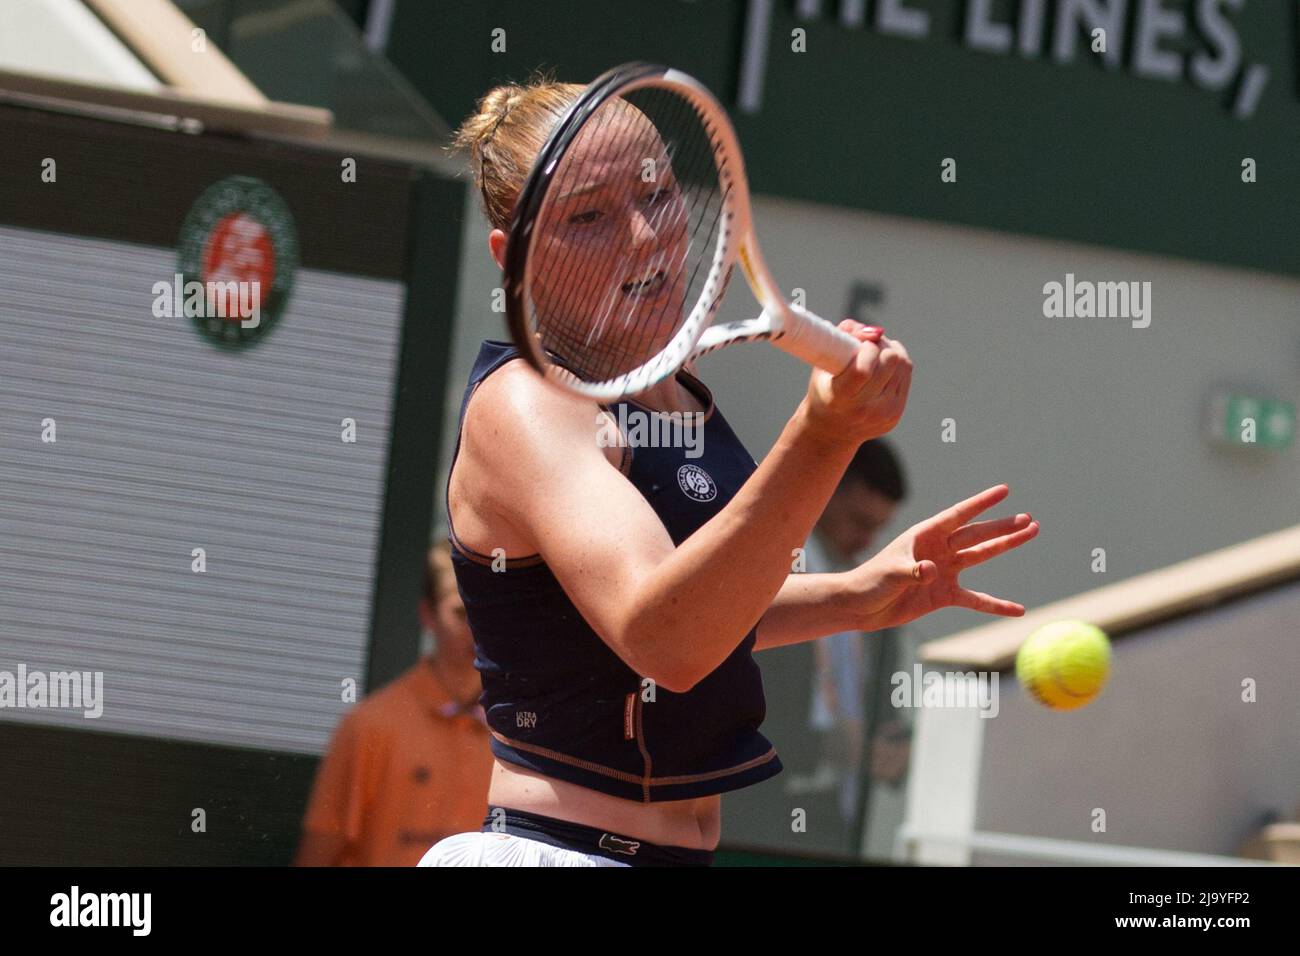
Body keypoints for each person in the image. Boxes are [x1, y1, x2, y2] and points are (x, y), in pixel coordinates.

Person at [420, 76, 1038, 868]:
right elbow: (664, 638)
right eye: (587, 216)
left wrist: (854, 597)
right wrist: (824, 436)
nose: (643, 235)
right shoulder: (525, 408)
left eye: (657, 193)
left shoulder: (682, 401)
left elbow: (697, 606)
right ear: (516, 262)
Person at [295, 542, 492, 866]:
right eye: (460, 612)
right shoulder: (370, 725)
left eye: (485, 613)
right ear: (427, 615)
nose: (475, 630)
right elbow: (319, 852)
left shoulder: (517, 733)